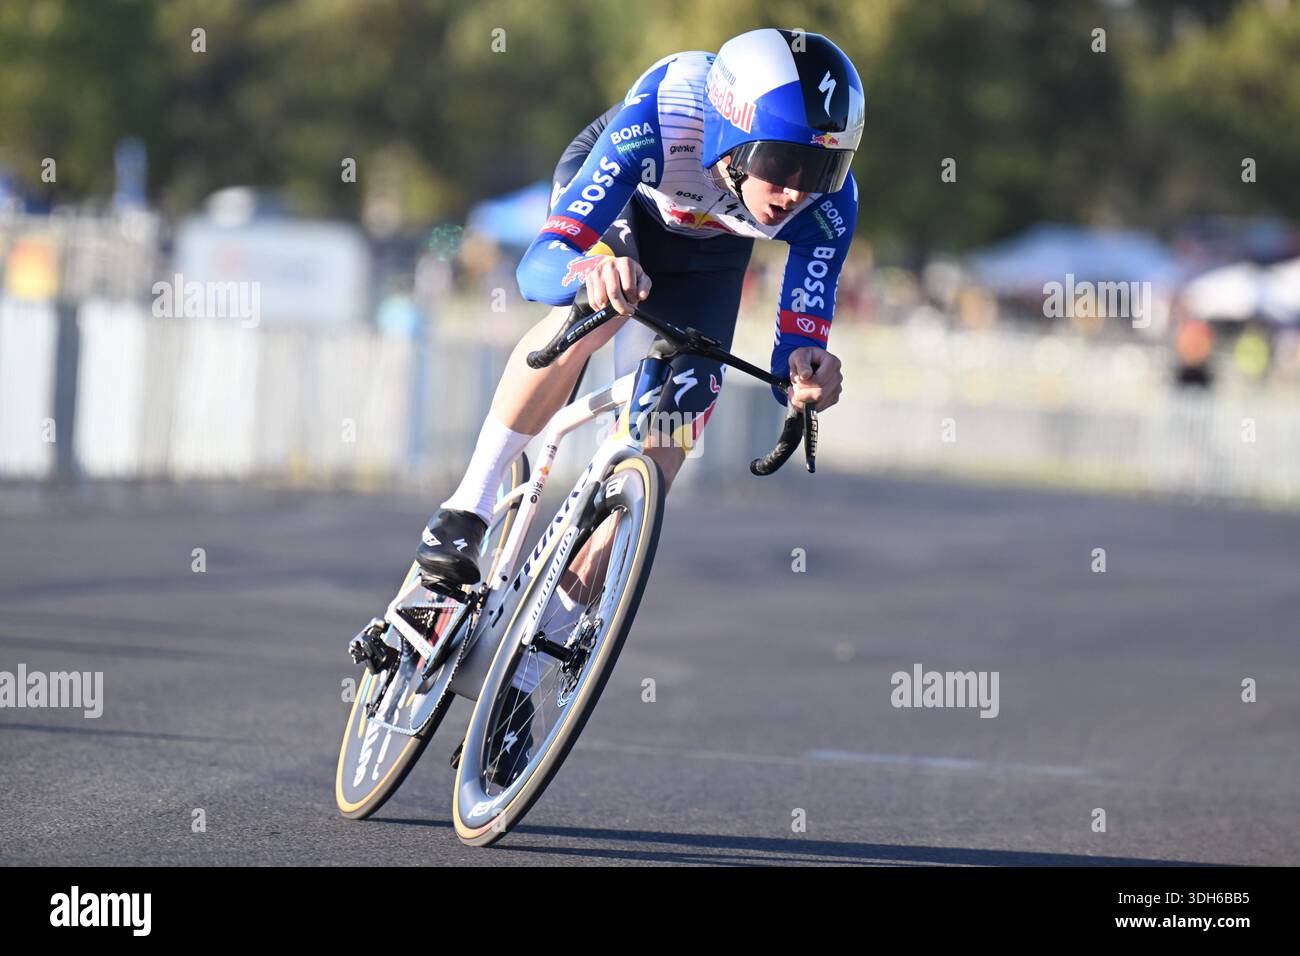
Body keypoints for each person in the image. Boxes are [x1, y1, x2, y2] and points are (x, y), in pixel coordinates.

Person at [416, 28, 864, 586]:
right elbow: (540, 266)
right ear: (732, 128)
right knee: (591, 321)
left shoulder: (831, 205)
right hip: (625, 207)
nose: (799, 193)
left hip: (711, 253)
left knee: (678, 423)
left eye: (823, 169)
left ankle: (541, 650)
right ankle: (469, 506)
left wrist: (805, 375)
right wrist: (589, 271)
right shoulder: (662, 120)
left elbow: (794, 354)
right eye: (782, 164)